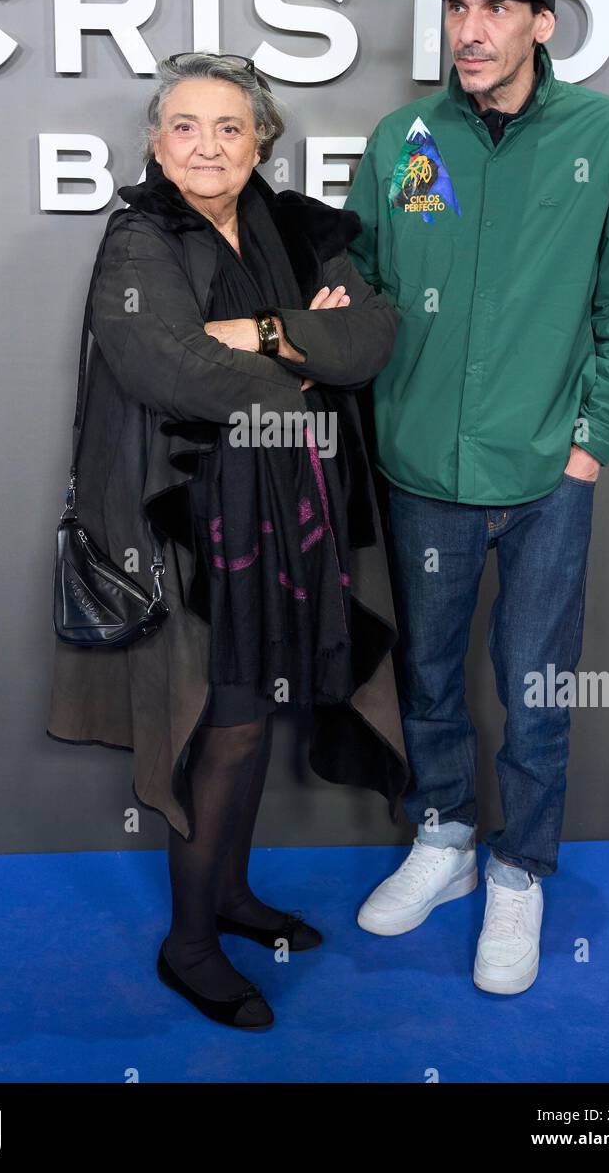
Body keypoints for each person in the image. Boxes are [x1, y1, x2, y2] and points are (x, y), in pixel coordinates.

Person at [47, 52, 409, 1030]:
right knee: (223, 721)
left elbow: (369, 338)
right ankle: (190, 942)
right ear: (155, 143)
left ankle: (233, 897)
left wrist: (254, 335)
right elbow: (164, 367)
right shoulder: (136, 240)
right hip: (191, 527)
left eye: (229, 128)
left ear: (261, 144)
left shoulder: (291, 226)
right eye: (184, 127)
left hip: (296, 513)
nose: (206, 146)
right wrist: (298, 351)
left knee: (254, 720)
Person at [345, 0, 609, 994]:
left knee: (530, 689)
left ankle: (517, 870)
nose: (469, 31)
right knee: (428, 676)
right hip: (418, 471)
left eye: (493, 9)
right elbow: (359, 281)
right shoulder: (401, 137)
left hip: (542, 479)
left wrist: (589, 445)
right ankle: (440, 837)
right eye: (454, 9)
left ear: (539, 22)